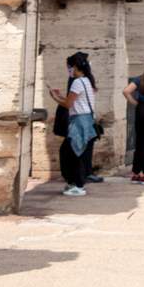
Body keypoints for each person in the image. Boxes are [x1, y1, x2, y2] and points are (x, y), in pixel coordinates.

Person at [48, 52, 98, 197]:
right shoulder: (87, 80)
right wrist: (59, 96)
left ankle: (78, 185)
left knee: (72, 153)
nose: (69, 71)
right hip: (86, 119)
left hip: (79, 121)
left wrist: (54, 98)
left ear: (75, 67)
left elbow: (68, 104)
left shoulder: (77, 82)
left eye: (70, 68)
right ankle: (73, 182)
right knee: (73, 152)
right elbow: (76, 100)